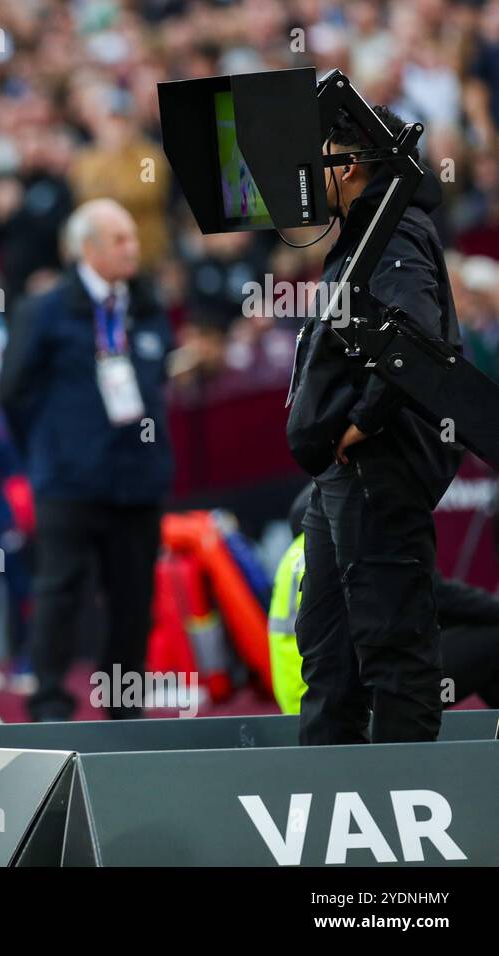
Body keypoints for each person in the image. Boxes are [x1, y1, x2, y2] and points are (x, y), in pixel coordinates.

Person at [285, 106, 464, 744]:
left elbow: (414, 343)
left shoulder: (395, 233)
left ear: (351, 163)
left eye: (318, 155)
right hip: (344, 476)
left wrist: (360, 423)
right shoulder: (367, 232)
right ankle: (327, 810)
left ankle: (402, 823)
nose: (304, 173)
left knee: (394, 650)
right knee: (329, 654)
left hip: (376, 470)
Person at [0, 198, 173, 721]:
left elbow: (159, 372)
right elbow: (13, 393)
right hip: (69, 480)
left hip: (137, 477)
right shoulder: (45, 309)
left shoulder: (146, 304)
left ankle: (123, 705)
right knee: (60, 590)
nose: (132, 249)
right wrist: (47, 453)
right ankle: (49, 700)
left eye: (133, 238)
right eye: (120, 240)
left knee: (132, 596)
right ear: (88, 249)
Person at [269, 486, 499, 715]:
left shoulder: (292, 558)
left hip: (302, 706)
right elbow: (436, 598)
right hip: (355, 703)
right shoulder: (353, 543)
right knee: (494, 639)